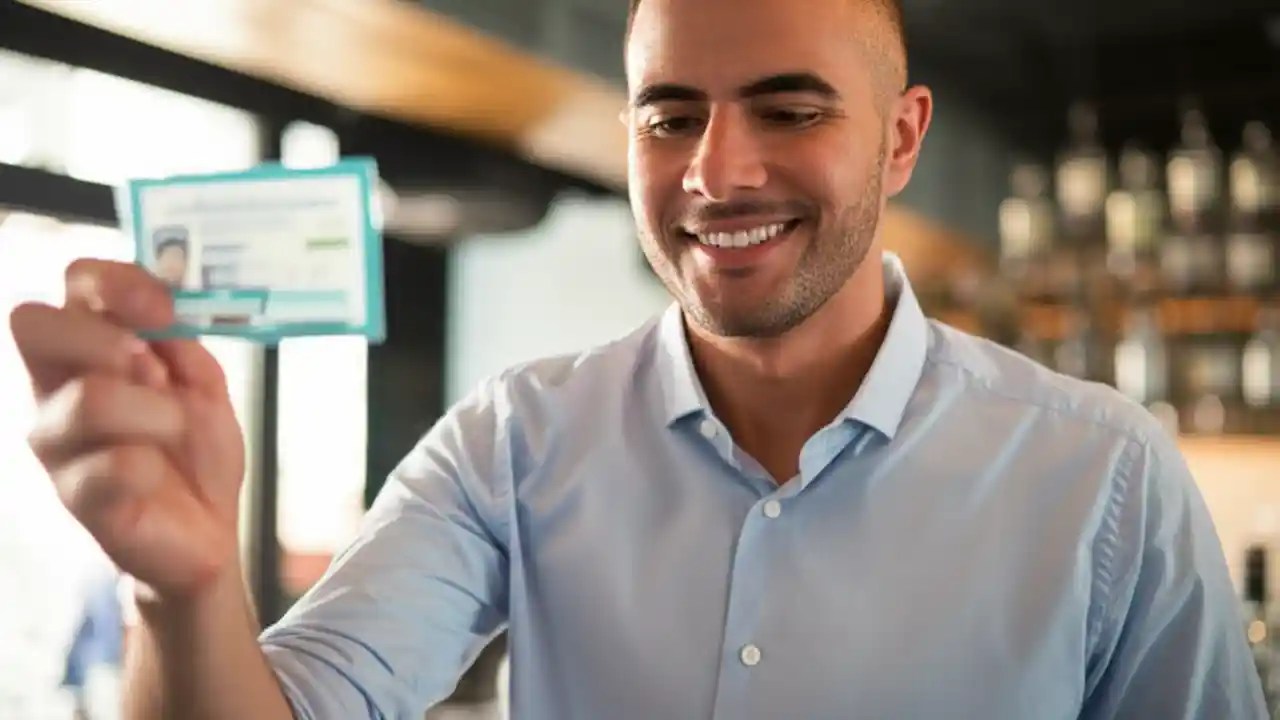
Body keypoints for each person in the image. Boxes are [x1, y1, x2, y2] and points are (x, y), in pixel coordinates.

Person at [8, 0, 1266, 717]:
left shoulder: (1100, 478)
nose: (718, 172)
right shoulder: (512, 442)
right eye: (671, 117)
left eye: (789, 108)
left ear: (898, 138)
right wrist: (178, 583)